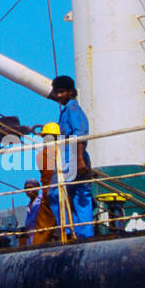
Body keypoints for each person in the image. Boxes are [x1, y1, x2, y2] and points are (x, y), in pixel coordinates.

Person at [50, 75, 94, 239]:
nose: (59, 96)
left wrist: (80, 159)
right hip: (72, 155)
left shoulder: (73, 109)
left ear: (70, 91)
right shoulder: (67, 110)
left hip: (73, 156)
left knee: (55, 193)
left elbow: (80, 133)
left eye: (62, 92)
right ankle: (83, 232)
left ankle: (68, 230)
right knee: (79, 194)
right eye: (57, 92)